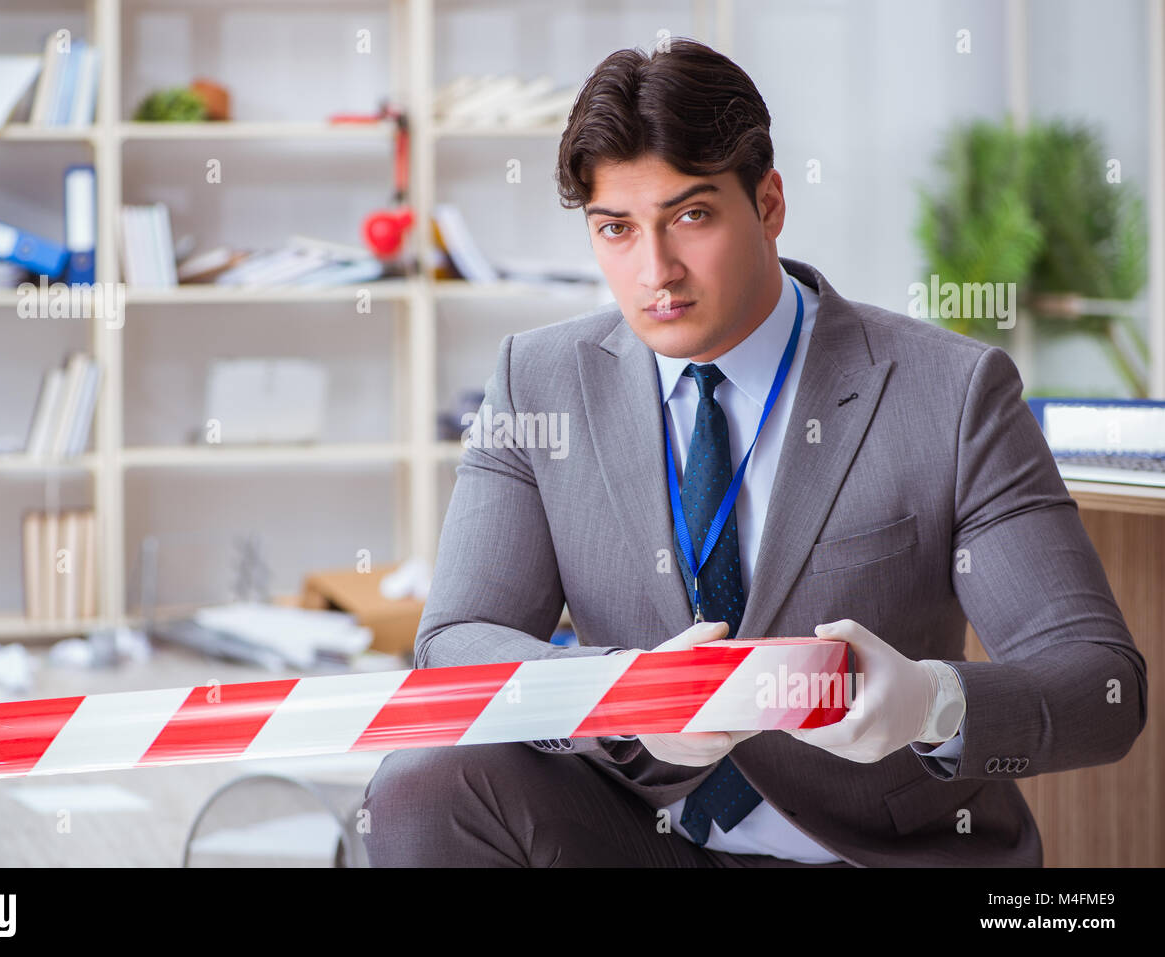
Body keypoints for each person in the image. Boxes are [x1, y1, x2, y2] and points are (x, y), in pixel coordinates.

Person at [360, 38, 1147, 867]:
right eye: (616, 229)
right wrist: (620, 695)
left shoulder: (950, 392)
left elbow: (1101, 684)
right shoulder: (538, 380)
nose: (654, 270)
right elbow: (457, 639)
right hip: (646, 835)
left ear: (769, 203)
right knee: (422, 783)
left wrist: (931, 702)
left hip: (878, 852)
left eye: (690, 216)